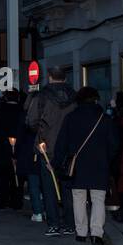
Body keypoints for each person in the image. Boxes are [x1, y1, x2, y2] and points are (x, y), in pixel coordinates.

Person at [54, 86, 118, 245]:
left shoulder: (71, 117)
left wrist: (57, 162)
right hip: (99, 165)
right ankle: (96, 233)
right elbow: (114, 144)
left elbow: (61, 143)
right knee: (98, 199)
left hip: (77, 166)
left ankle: (81, 232)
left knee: (78, 198)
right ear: (96, 99)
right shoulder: (104, 118)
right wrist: (107, 159)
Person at [25, 66, 75, 236]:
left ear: (50, 77)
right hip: (69, 147)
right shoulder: (74, 96)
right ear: (65, 78)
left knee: (48, 187)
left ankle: (54, 223)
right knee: (68, 185)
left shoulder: (42, 96)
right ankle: (70, 223)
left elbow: (31, 121)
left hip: (47, 146)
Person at [0, 89, 24, 210]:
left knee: (1, 176)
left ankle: (2, 201)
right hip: (18, 147)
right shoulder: (21, 111)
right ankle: (16, 201)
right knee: (16, 175)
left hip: (1, 147)